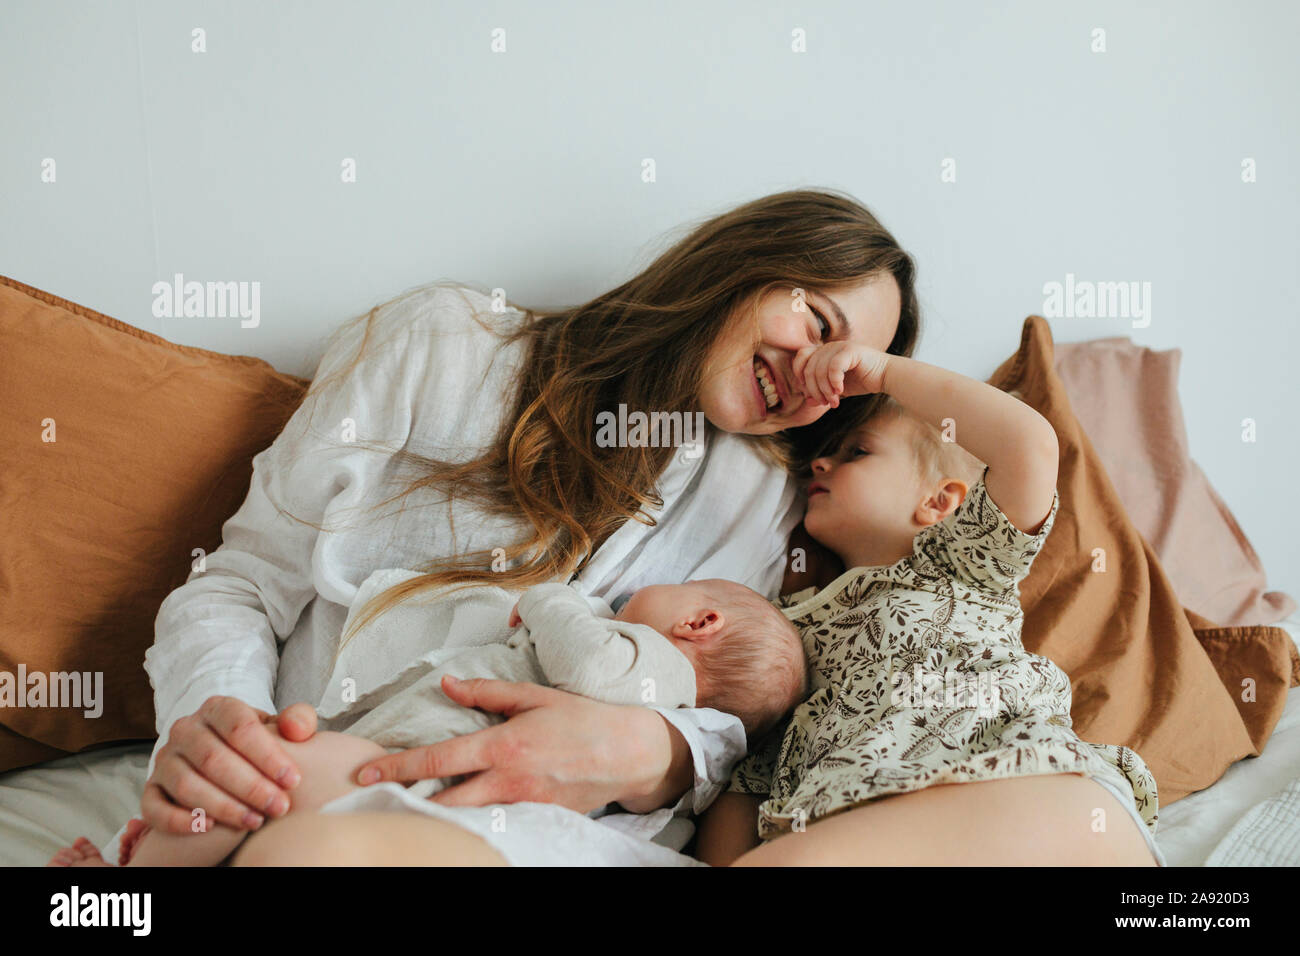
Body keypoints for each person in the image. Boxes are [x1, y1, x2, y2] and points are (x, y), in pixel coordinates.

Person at [87, 188, 919, 866]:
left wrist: (651, 752)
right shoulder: (446, 345)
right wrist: (217, 725)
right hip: (334, 776)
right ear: (745, 266)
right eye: (817, 324)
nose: (816, 384)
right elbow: (239, 584)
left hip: (564, 839)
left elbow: (737, 708)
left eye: (844, 382)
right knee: (302, 851)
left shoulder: (761, 493)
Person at [694, 340, 1164, 866]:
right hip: (857, 823)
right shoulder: (786, 629)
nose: (820, 463)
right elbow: (748, 779)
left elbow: (1027, 447)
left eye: (858, 451)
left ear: (939, 502)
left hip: (1028, 786)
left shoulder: (965, 564)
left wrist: (884, 372)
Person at [50, 576, 806, 867]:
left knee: (269, 771)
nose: (644, 589)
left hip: (434, 776)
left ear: (700, 621)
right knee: (263, 775)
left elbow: (592, 668)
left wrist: (554, 601)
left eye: (674, 587)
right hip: (415, 770)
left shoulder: (653, 667)